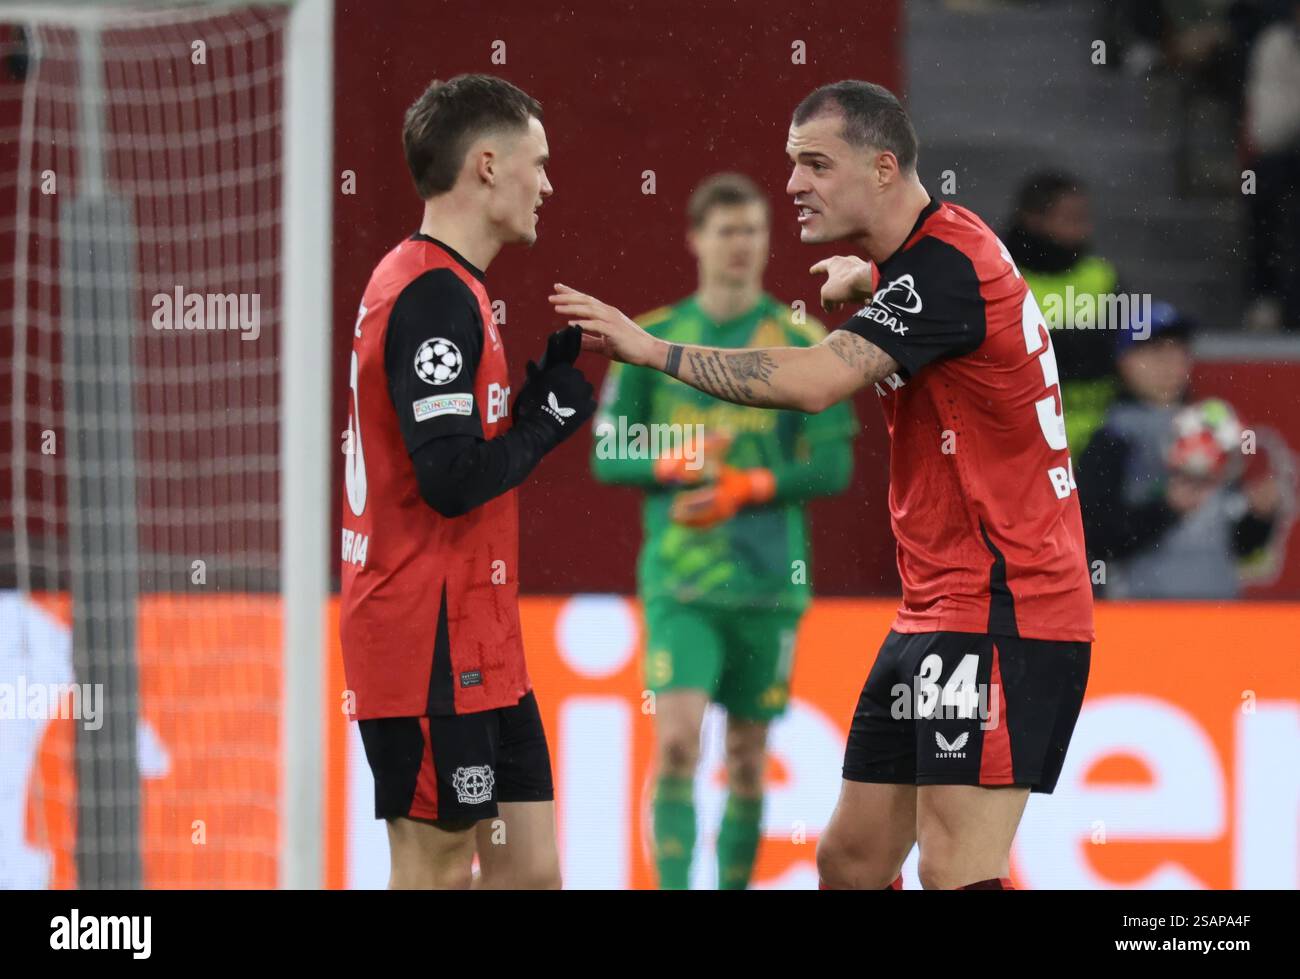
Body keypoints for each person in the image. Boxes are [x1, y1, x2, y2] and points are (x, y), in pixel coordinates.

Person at [553, 80, 1094, 891]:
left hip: (1003, 609)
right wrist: (876, 281)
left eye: (815, 164)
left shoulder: (946, 268)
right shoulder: (935, 256)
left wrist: (651, 349)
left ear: (882, 168)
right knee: (850, 861)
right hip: (935, 612)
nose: (794, 184)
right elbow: (951, 322)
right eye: (790, 164)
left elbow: (811, 382)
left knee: (957, 869)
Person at [339, 74, 596, 889]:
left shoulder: (448, 285)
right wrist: (541, 426)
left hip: (481, 641)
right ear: (487, 165)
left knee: (528, 871)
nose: (548, 184)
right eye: (539, 162)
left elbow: (446, 454)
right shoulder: (431, 295)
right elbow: (450, 481)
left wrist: (521, 416)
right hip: (424, 641)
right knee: (437, 868)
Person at [590, 172, 856, 889]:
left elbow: (834, 465)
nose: (741, 245)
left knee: (746, 755)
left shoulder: (801, 339)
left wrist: (752, 485)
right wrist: (667, 462)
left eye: (753, 231)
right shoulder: (654, 340)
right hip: (682, 579)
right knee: (675, 742)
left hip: (769, 582)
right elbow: (605, 452)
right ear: (696, 239)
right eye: (726, 231)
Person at [1077, 303, 1282, 597]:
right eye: (1156, 351)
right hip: (1140, 618)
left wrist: (1259, 515)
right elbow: (1093, 536)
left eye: (1179, 351)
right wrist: (1165, 509)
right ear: (1125, 361)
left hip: (1219, 617)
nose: (1170, 364)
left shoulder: (1215, 429)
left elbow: (1237, 544)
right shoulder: (1111, 437)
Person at [1004, 170, 1121, 456]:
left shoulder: (1102, 276)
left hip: (1100, 439)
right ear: (1033, 219)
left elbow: (1124, 349)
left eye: (1085, 218)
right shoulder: (1002, 274)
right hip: (1024, 439)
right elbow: (1004, 356)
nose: (1083, 230)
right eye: (1071, 219)